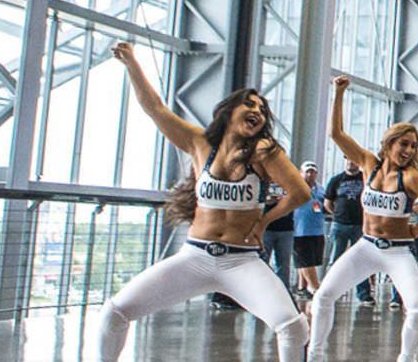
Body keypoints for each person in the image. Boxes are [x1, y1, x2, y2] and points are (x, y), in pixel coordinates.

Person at [98, 42, 310, 362]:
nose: (257, 112)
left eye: (262, 110)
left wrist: (263, 221)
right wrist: (131, 63)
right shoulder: (200, 144)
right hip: (194, 257)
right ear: (229, 111)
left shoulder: (263, 151)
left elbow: (300, 193)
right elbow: (155, 108)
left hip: (241, 261)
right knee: (115, 312)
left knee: (292, 327)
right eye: (249, 105)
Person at [309, 76, 418, 362]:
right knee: (323, 296)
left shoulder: (410, 177)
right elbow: (336, 134)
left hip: (398, 251)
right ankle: (315, 354)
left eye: (413, 146)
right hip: (366, 247)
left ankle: (406, 357)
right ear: (388, 144)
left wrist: (416, 230)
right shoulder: (368, 165)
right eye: (404, 144)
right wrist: (338, 93)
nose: (408, 151)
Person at [324, 155, 372, 303]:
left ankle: (363, 294)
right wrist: (338, 214)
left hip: (359, 225)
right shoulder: (336, 180)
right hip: (340, 225)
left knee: (361, 260)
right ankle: (332, 291)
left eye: (354, 160)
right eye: (349, 160)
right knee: (336, 259)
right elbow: (327, 203)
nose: (351, 162)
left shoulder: (365, 179)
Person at [293, 161, 326, 300]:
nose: (310, 174)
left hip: (317, 230)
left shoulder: (321, 189)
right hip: (300, 231)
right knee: (306, 262)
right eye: (307, 171)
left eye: (312, 172)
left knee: (310, 260)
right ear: (301, 173)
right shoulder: (295, 188)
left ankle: (302, 287)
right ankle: (316, 288)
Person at [261, 182, 295, 288]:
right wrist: (269, 200)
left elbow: (299, 198)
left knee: (284, 263)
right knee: (262, 261)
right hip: (266, 228)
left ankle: (283, 289)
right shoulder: (263, 182)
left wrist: (285, 200)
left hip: (286, 228)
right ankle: (262, 287)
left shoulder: (290, 182)